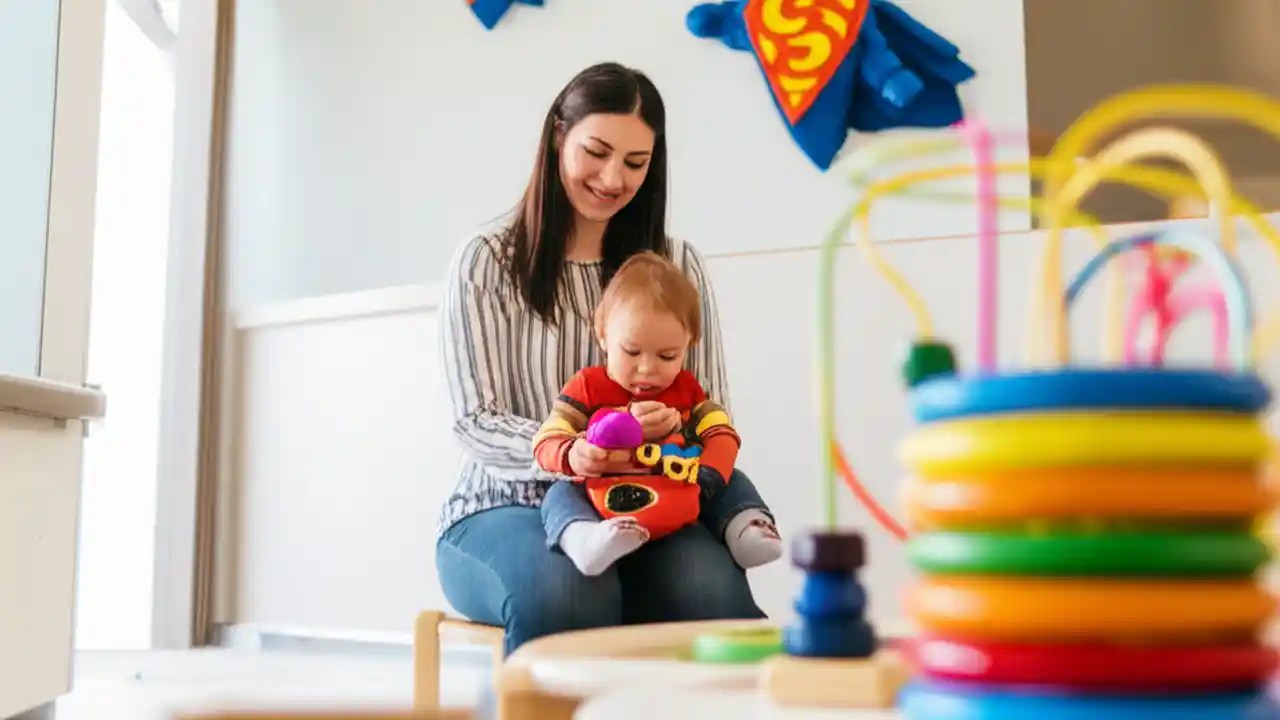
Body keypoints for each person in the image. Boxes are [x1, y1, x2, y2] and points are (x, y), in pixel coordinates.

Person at [435, 61, 781, 655]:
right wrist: (581, 452)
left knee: (708, 593)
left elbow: (710, 408)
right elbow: (475, 421)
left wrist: (674, 432)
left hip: (651, 499)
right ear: (556, 137)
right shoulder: (487, 260)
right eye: (596, 151)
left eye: (635, 163)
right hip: (502, 508)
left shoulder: (675, 264)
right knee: (571, 591)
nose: (612, 177)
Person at [532, 251, 780, 576]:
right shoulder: (587, 386)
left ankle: (747, 527)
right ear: (603, 334)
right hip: (603, 491)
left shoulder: (688, 390)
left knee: (732, 477)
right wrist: (574, 454)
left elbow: (722, 432)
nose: (647, 368)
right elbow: (547, 438)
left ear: (689, 344)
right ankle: (583, 538)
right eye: (631, 351)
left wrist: (709, 470)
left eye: (667, 356)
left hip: (676, 485)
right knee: (559, 493)